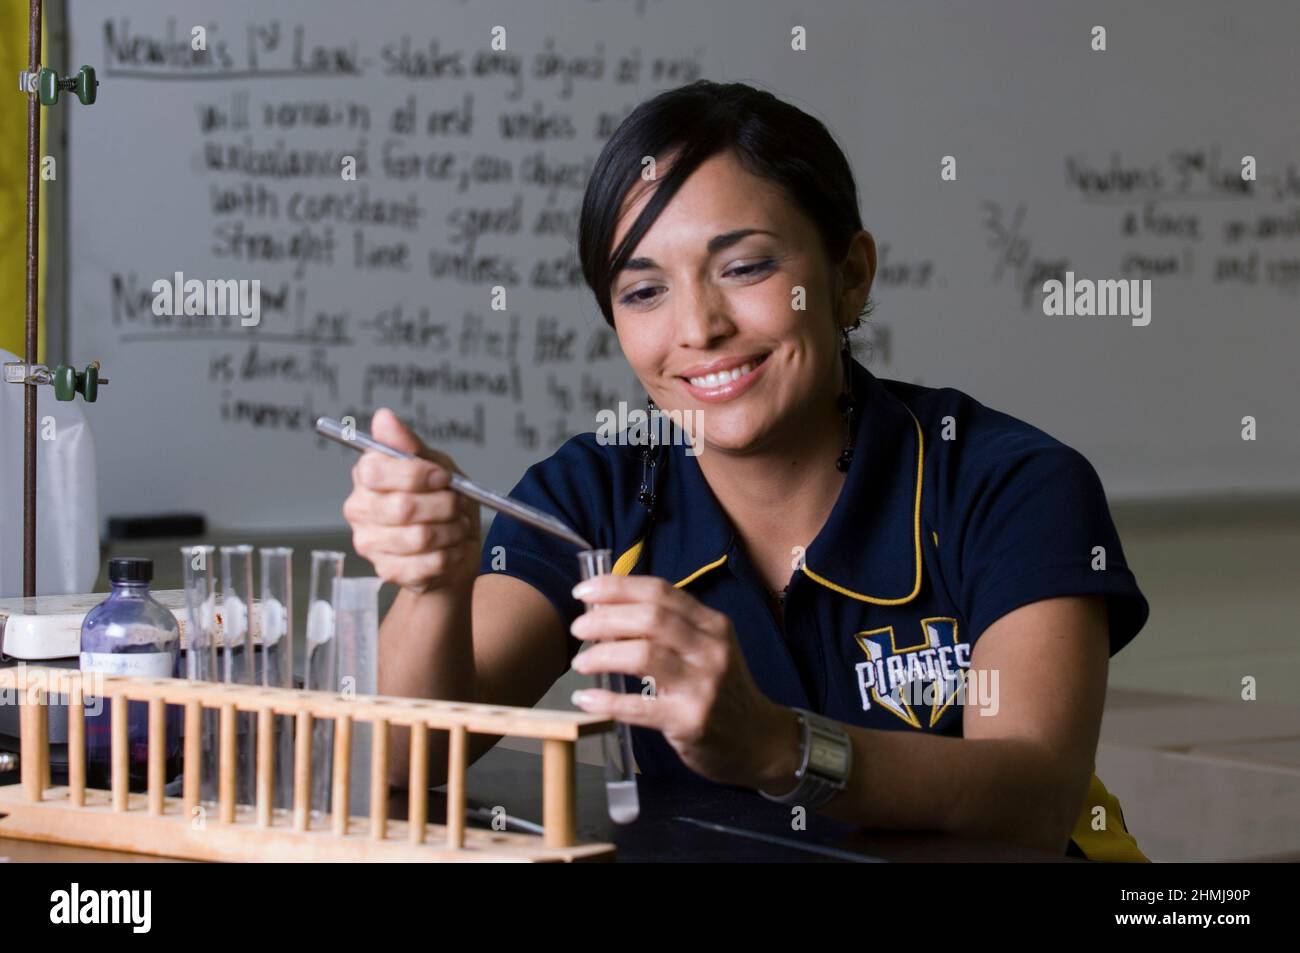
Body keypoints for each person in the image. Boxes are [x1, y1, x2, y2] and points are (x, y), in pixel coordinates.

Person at [342, 80, 1150, 860]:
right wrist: (432, 588)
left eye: (746, 267)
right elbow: (395, 766)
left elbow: (1036, 801)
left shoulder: (1009, 486)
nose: (699, 327)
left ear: (850, 275)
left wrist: (783, 748)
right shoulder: (594, 496)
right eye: (645, 290)